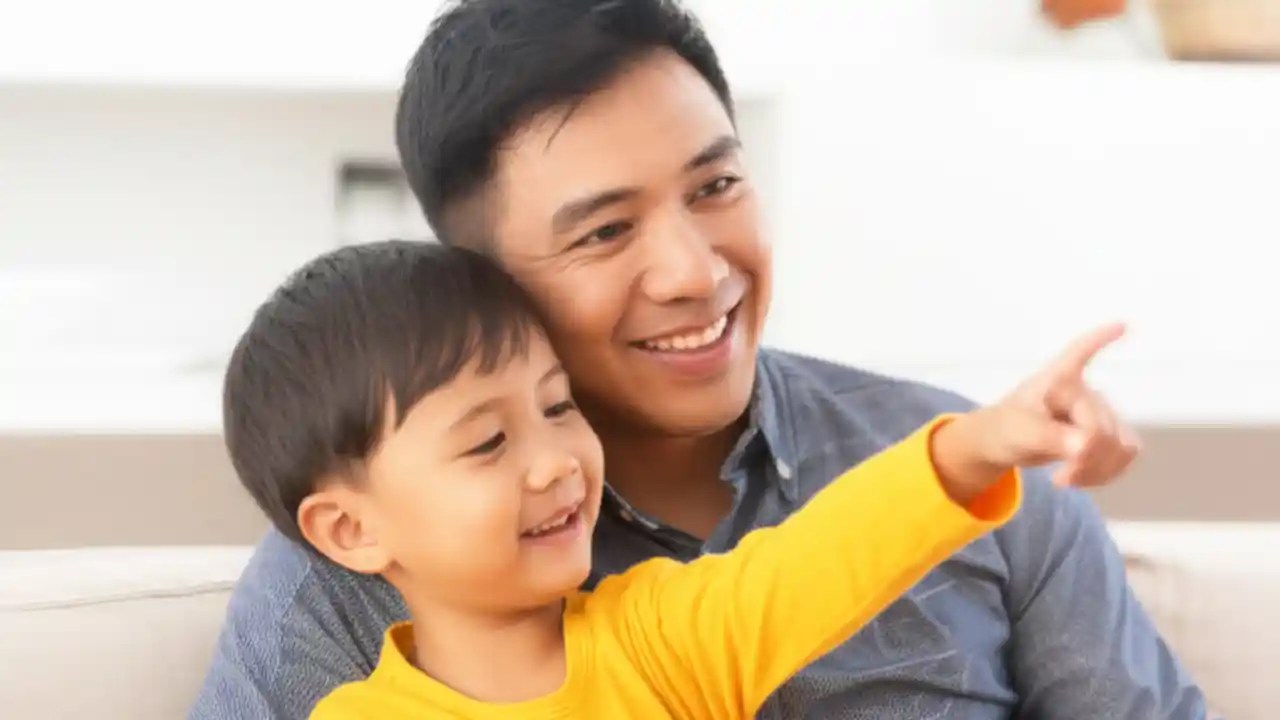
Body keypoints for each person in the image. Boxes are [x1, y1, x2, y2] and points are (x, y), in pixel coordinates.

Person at [192, 1, 1208, 717]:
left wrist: (979, 448)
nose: (691, 270)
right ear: (481, 282)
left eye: (714, 185)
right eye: (601, 233)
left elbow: (828, 556)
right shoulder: (338, 583)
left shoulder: (983, 480)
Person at [223, 240, 1126, 719]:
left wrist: (978, 445)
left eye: (558, 405)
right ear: (350, 530)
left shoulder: (661, 636)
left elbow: (819, 560)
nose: (555, 460)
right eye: (488, 443)